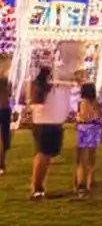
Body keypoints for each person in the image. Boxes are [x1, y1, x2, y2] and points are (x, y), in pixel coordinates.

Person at [28, 65, 71, 200]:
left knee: (46, 155)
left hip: (51, 122)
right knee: (43, 154)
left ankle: (39, 186)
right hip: (46, 123)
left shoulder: (51, 85)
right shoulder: (44, 85)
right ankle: (37, 188)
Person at [74, 82, 102, 197]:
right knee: (91, 158)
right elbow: (101, 118)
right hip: (93, 130)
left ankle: (80, 183)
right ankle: (90, 181)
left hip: (83, 130)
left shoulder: (82, 103)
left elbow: (81, 116)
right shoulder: (96, 104)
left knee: (81, 158)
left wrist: (78, 118)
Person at [0, 57, 12, 176]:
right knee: (3, 138)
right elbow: (9, 93)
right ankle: (1, 164)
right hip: (4, 108)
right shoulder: (6, 80)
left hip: (3, 108)